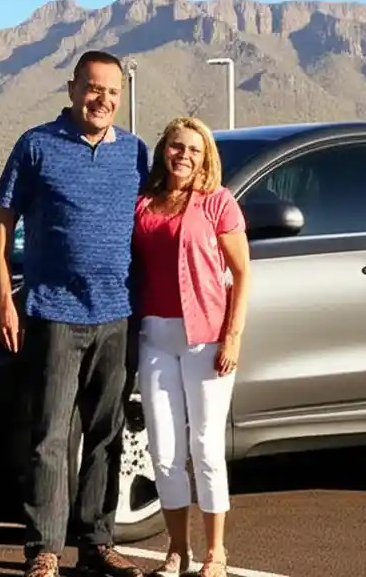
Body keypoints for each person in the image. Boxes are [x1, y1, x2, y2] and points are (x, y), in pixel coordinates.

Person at [0, 50, 150, 577]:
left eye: (112, 92)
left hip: (116, 312)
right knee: (51, 437)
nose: (102, 99)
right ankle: (45, 551)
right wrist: (4, 299)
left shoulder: (134, 152)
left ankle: (97, 543)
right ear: (72, 87)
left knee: (106, 434)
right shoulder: (38, 146)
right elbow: (2, 224)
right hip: (55, 312)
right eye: (93, 88)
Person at [130, 116, 251, 577]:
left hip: (207, 340)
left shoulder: (219, 204)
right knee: (163, 451)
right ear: (165, 150)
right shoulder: (144, 204)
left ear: (206, 158)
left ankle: (215, 552)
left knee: (204, 446)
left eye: (194, 150)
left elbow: (242, 273)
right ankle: (176, 550)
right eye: (177, 147)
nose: (184, 156)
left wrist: (232, 337)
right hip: (155, 337)